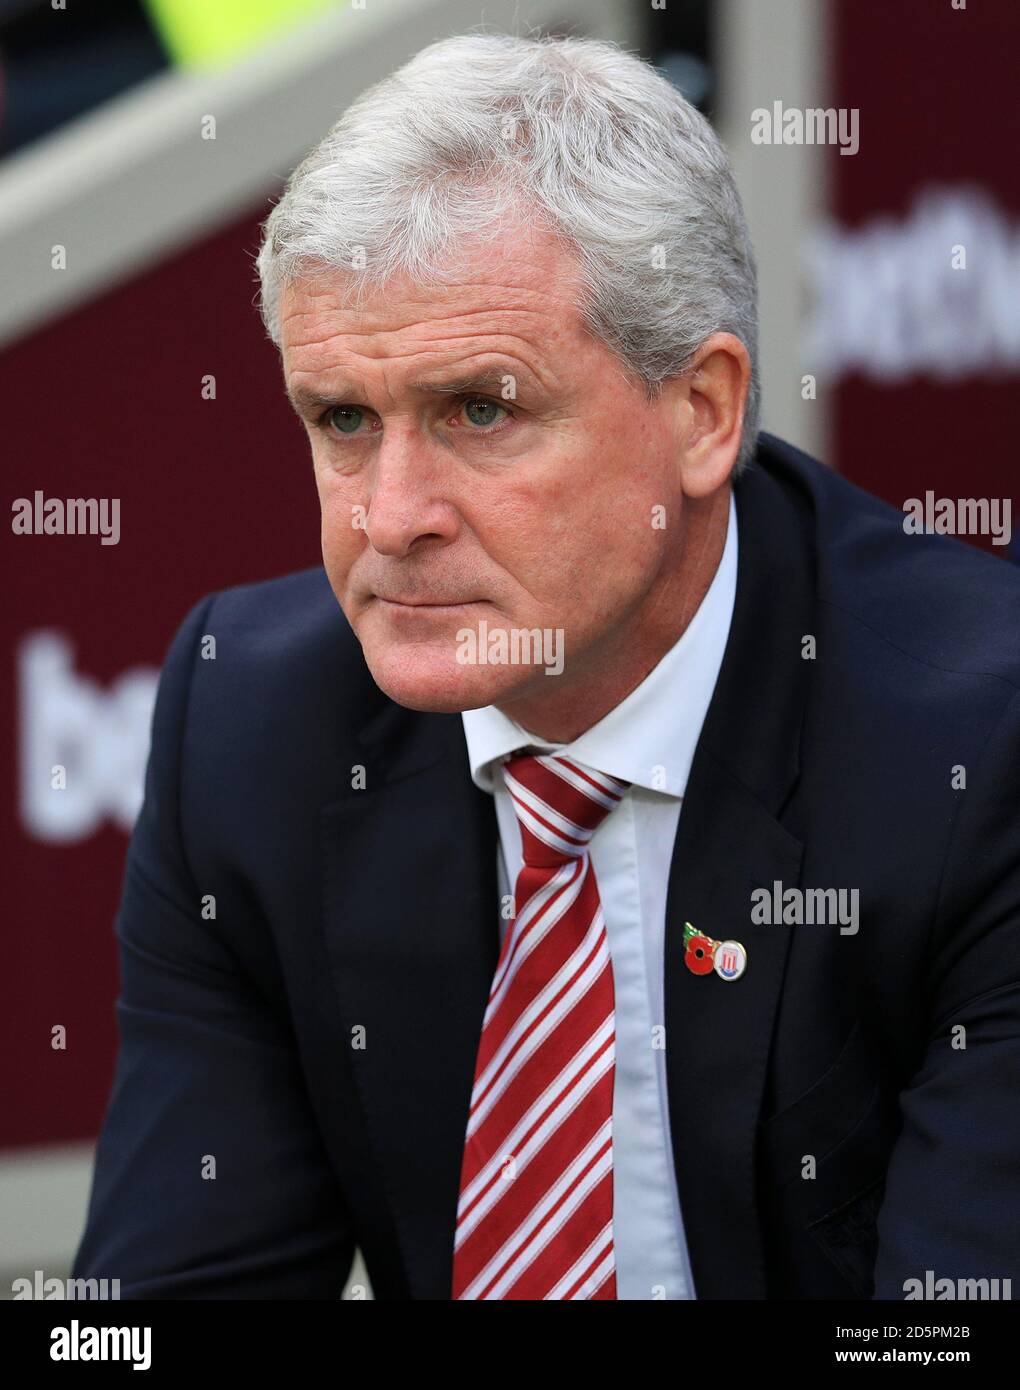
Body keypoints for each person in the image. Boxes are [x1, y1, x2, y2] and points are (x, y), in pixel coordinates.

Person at [72, 33, 1020, 1300]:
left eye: (482, 409)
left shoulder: (981, 746)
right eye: (343, 420)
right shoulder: (247, 721)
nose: (391, 515)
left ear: (702, 413)